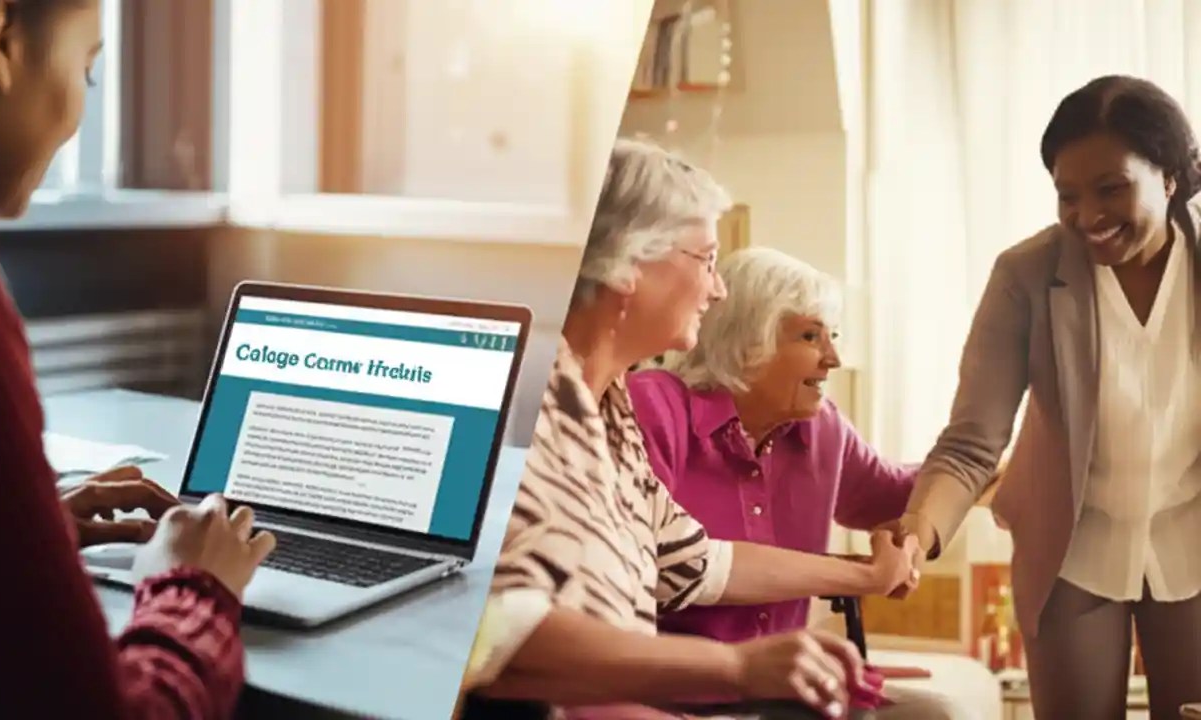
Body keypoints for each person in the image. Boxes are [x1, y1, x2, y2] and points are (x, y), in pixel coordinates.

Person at [460, 138, 915, 720]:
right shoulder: (531, 398)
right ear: (627, 263)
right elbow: (497, 636)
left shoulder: (609, 411)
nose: (717, 289)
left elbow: (697, 563)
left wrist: (866, 575)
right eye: (706, 260)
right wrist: (736, 668)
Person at [0, 1, 276, 717]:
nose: (81, 110)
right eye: (87, 68)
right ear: (2, 39)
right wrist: (193, 586)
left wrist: (19, 537)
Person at [891, 74, 1201, 719]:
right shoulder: (1026, 275)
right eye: (1068, 195)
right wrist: (918, 534)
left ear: (1170, 177)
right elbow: (971, 443)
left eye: (1111, 188)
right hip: (1072, 550)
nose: (1088, 216)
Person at [628, 247, 965, 718]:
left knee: (933, 714)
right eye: (810, 336)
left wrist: (985, 465)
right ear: (747, 339)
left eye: (832, 336)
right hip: (665, 692)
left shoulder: (822, 427)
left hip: (777, 693)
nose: (833, 359)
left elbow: (894, 494)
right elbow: (670, 564)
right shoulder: (653, 406)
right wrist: (868, 575)